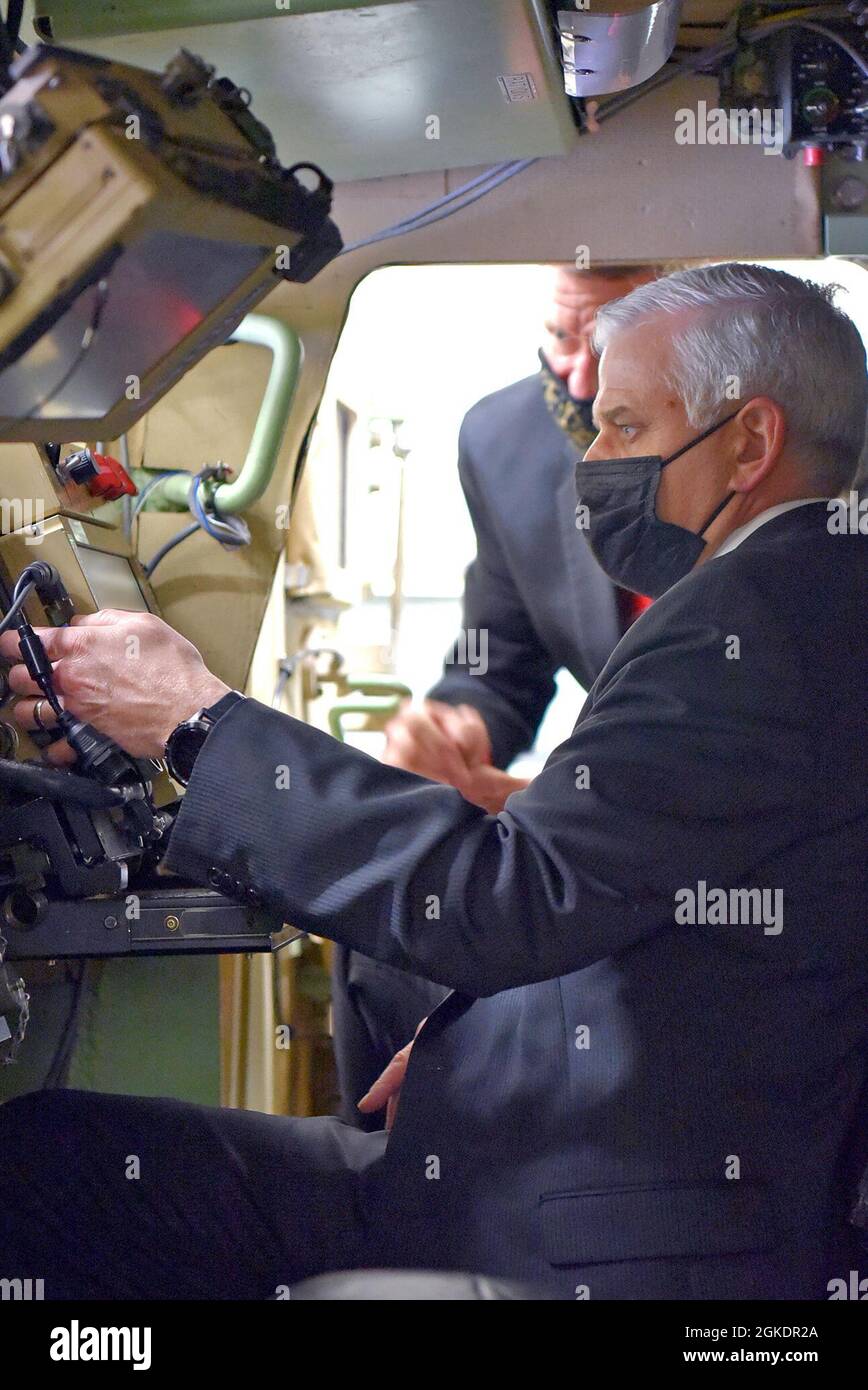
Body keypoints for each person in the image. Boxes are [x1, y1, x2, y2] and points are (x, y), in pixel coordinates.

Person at [0, 262, 866, 1301]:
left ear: (751, 441)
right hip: (607, 1151)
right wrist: (479, 1042)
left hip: (609, 1221)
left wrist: (194, 719)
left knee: (45, 1169)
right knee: (57, 1152)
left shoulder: (754, 625)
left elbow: (505, 901)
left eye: (626, 427)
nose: (591, 460)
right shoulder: (804, 590)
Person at [334, 265, 657, 1128]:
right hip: (602, 827)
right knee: (386, 917)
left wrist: (545, 798)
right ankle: (408, 1193)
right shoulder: (504, 439)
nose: (580, 382)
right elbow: (500, 655)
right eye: (561, 340)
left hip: (725, 861)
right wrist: (454, 731)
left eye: (609, 345)